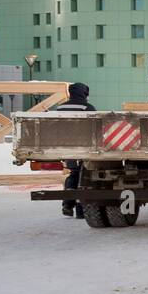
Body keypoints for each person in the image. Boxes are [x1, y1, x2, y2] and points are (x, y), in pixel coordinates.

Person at [53, 82, 97, 217]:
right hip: (84, 147)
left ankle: (67, 203)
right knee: (83, 176)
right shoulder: (87, 107)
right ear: (84, 93)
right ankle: (79, 210)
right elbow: (95, 126)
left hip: (67, 147)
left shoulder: (60, 108)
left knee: (73, 173)